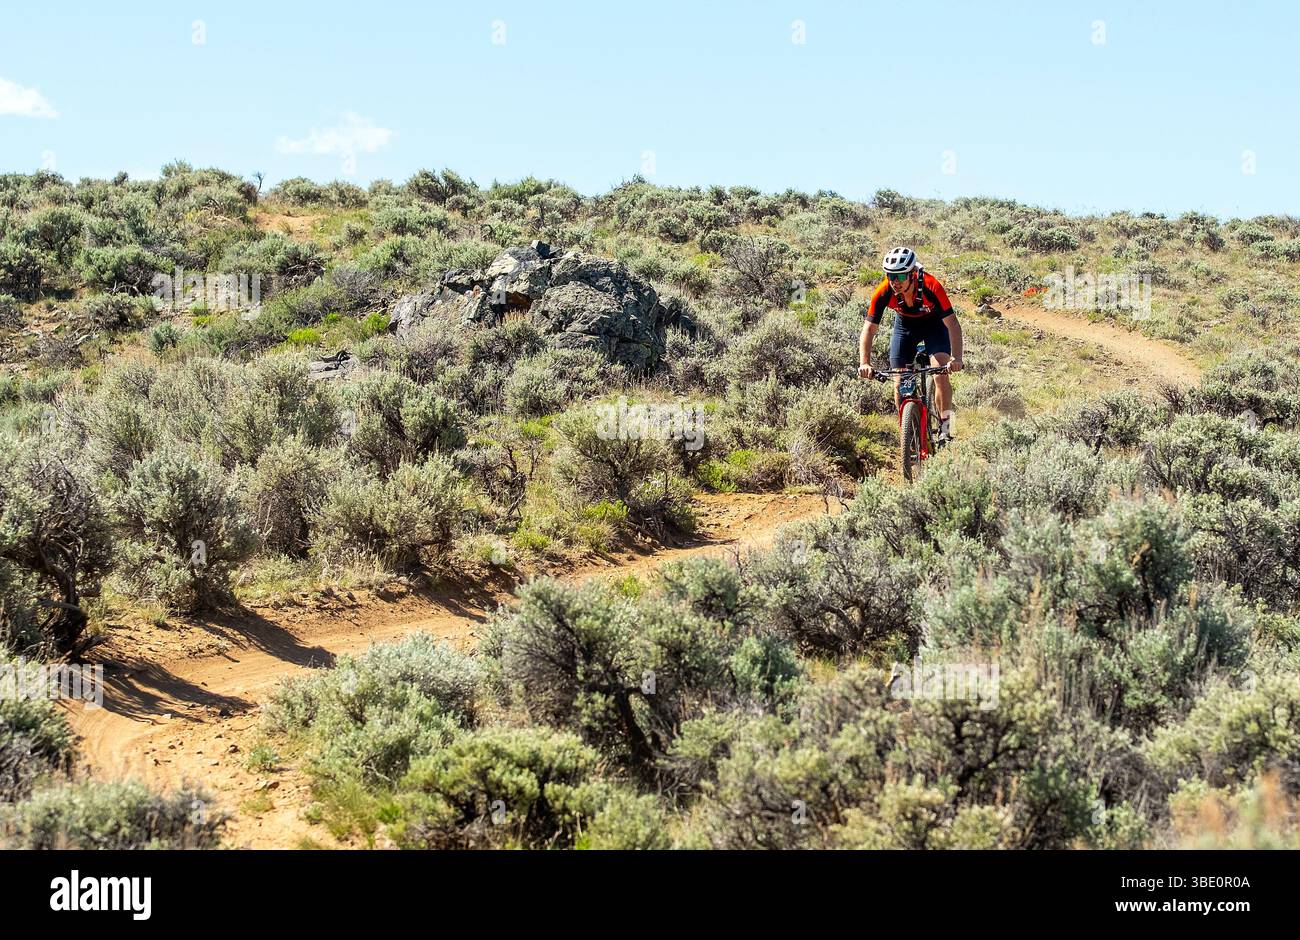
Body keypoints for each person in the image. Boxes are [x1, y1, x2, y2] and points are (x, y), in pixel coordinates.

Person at [857, 246, 964, 441]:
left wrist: (956, 358)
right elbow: (869, 329)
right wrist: (865, 363)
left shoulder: (932, 286)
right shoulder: (883, 291)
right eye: (890, 276)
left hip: (934, 326)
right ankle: (907, 434)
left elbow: (953, 325)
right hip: (905, 326)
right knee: (900, 381)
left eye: (899, 277)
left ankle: (947, 428)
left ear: (913, 274)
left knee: (940, 372)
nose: (894, 282)